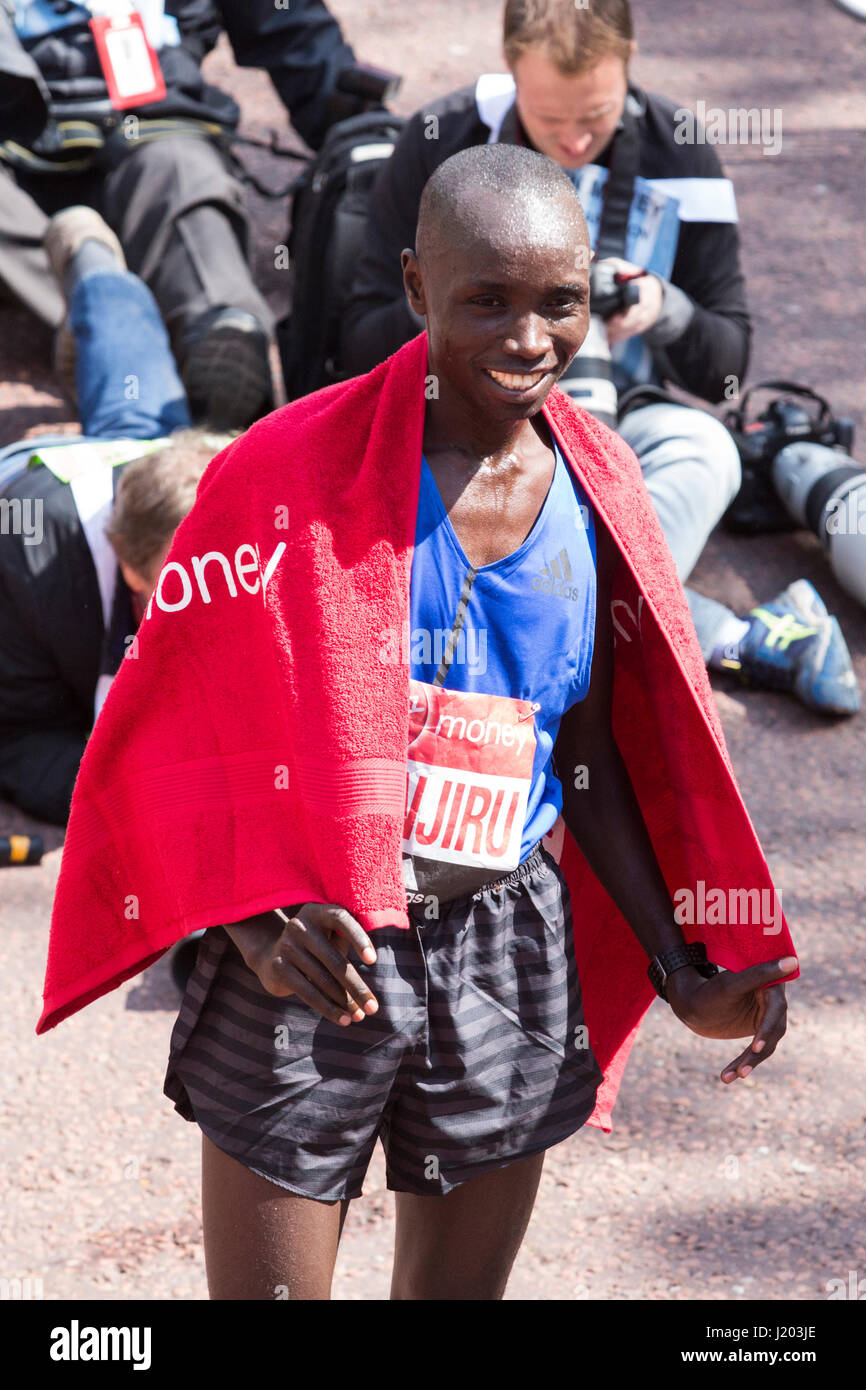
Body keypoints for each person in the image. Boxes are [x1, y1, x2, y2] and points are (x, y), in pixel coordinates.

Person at [37, 143, 797, 1301]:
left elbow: (587, 759)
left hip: (502, 948)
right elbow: (179, 721)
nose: (527, 338)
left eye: (559, 302)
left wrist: (680, 958)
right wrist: (249, 922)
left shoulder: (597, 495)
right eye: (483, 299)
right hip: (313, 955)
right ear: (412, 288)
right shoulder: (283, 474)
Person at [340, 0, 859, 716]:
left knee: (710, 450)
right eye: (551, 124)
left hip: (619, 417)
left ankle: (566, 631)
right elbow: (360, 332)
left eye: (598, 116)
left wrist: (664, 308)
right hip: (461, 415)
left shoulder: (679, 150)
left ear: (630, 68)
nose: (577, 141)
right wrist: (465, 301)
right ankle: (692, 632)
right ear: (511, 70)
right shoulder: (443, 142)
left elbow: (728, 364)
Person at [0, 0, 398, 427]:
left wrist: (361, 117)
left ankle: (216, 342)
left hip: (156, 127)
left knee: (187, 184)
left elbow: (290, 24)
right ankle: (101, 309)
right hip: (15, 146)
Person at [0, 205, 225, 825]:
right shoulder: (28, 574)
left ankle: (90, 264)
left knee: (141, 403)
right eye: (194, 593)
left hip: (148, 457)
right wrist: (149, 786)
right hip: (35, 493)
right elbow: (20, 742)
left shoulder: (222, 511)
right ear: (132, 572)